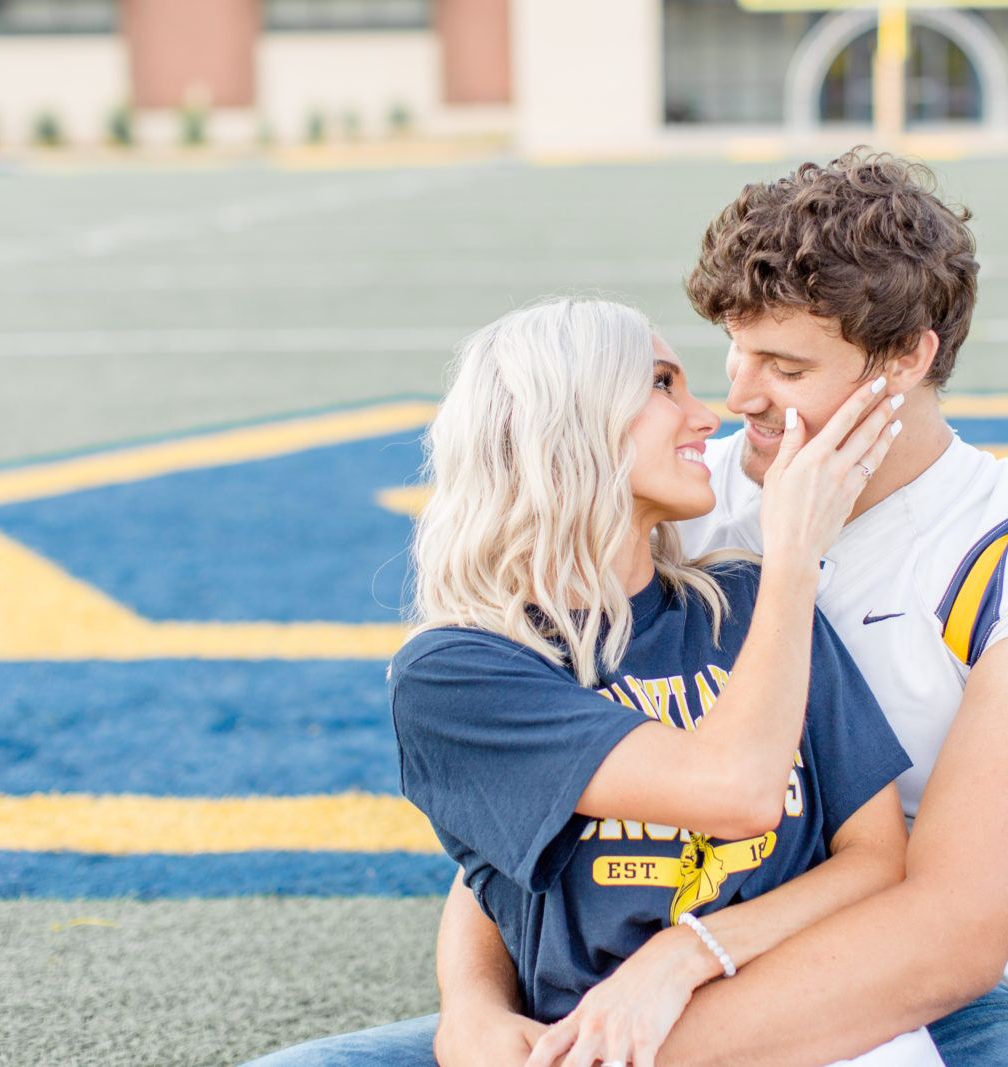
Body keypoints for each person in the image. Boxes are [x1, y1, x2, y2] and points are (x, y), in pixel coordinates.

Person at [244, 297, 940, 1067]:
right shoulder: (458, 671)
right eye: (664, 383)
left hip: (820, 1024)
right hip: (593, 1040)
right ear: (567, 416)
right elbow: (497, 868)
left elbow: (876, 855)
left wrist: (691, 952)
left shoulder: (752, 600)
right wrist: (471, 1006)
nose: (709, 416)